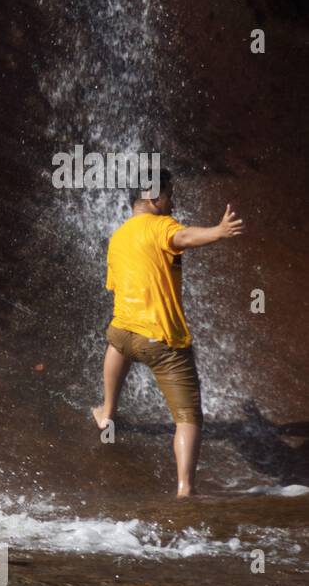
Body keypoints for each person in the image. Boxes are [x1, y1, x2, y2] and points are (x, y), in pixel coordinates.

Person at [92, 169, 244, 497]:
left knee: (116, 342)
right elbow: (184, 238)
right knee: (189, 417)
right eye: (169, 195)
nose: (172, 201)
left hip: (123, 334)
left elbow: (117, 287)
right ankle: (184, 488)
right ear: (152, 197)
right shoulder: (161, 226)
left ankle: (106, 413)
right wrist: (218, 232)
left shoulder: (117, 237)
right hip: (161, 342)